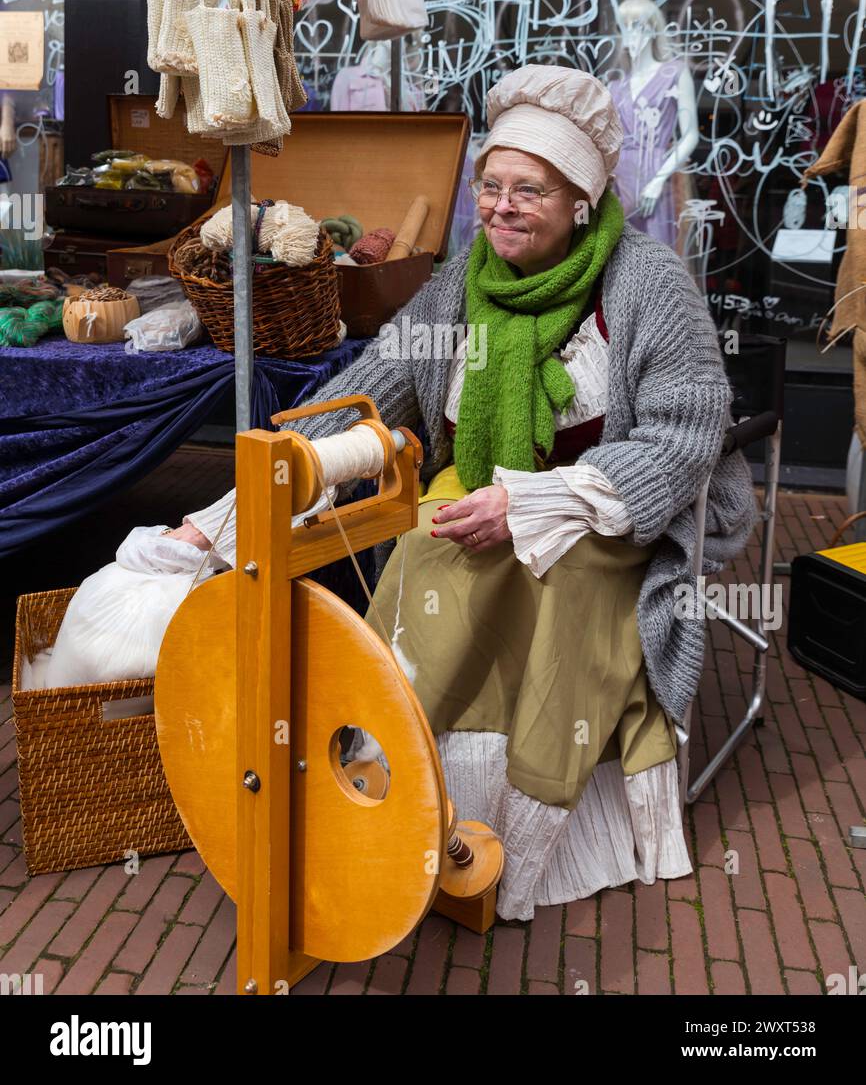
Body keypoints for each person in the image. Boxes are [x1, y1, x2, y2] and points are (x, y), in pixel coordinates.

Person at [173, 64, 756, 921]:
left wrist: (529, 506)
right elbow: (377, 386)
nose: (502, 206)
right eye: (491, 186)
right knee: (419, 554)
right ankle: (393, 800)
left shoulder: (647, 286)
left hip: (606, 511)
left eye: (530, 191)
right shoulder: (463, 281)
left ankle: (507, 845)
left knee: (551, 578)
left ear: (583, 202)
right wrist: (243, 496)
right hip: (477, 484)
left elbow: (682, 435)